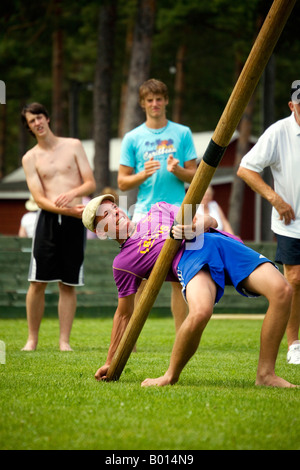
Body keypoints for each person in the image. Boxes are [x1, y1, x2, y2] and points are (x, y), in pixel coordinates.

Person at [82, 194, 296, 388]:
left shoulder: (158, 209)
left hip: (217, 242)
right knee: (201, 312)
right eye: (106, 215)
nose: (116, 212)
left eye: (115, 207)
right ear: (101, 232)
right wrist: (110, 361)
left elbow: (210, 220)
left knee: (283, 291)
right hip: (190, 258)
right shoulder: (123, 262)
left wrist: (195, 228)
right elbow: (124, 314)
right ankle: (170, 376)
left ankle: (266, 374)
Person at [118, 78, 197, 332]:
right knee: (139, 277)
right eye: (150, 100)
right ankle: (131, 337)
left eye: (159, 99)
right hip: (144, 213)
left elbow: (195, 175)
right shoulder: (132, 137)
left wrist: (178, 171)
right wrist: (143, 174)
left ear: (166, 101)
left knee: (178, 277)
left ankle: (180, 334)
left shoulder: (182, 132)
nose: (155, 104)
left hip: (178, 209)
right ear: (142, 103)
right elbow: (121, 183)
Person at [20, 102, 96, 351]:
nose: (37, 123)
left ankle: (64, 341)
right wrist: (64, 209)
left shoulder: (73, 145)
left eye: (39, 117)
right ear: (29, 128)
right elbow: (39, 198)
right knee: (37, 282)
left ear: (48, 118)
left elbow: (90, 183)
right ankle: (32, 339)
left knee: (68, 282)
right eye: (32, 121)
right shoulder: (30, 158)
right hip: (48, 220)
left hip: (77, 218)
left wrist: (72, 195)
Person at [237, 81, 300, 365]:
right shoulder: (278, 132)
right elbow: (246, 170)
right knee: (294, 280)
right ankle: (295, 344)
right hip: (291, 221)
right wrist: (275, 199)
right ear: (292, 105)